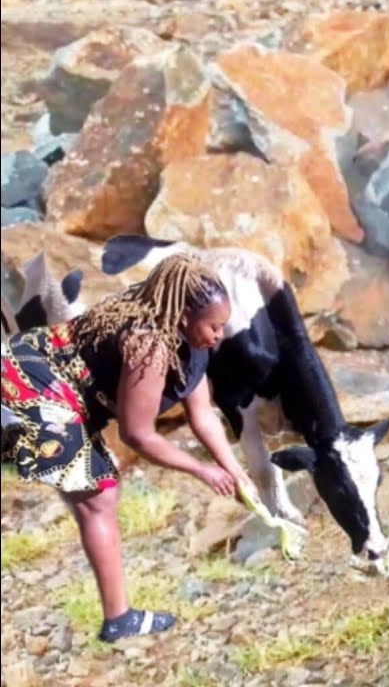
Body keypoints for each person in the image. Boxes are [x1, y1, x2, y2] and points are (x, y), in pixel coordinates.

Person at [2, 254, 252, 642]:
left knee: (95, 493)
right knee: (100, 495)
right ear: (184, 315)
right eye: (214, 326)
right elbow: (139, 435)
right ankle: (120, 621)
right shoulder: (148, 346)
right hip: (35, 380)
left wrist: (235, 471)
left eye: (222, 325)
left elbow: (201, 413)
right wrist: (202, 470)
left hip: (62, 387)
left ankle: (118, 619)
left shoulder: (192, 340)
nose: (220, 334)